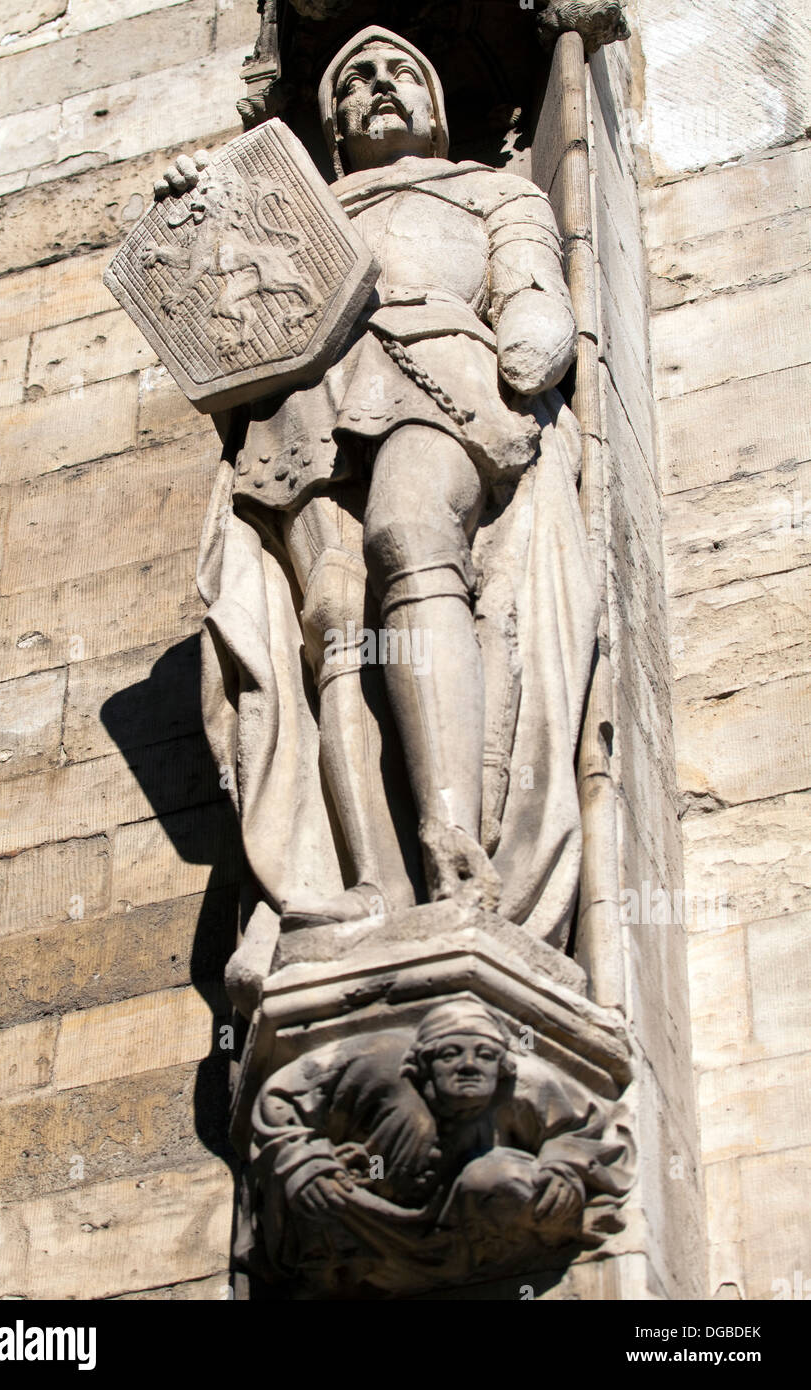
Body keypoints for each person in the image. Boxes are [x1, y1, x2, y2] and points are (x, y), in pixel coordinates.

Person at [160, 26, 600, 948]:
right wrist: (200, 217)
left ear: (438, 108)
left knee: (409, 534)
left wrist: (536, 329)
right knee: (333, 614)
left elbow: (530, 287)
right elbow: (228, 313)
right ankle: (372, 881)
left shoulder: (494, 190)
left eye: (403, 71)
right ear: (330, 122)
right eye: (355, 79)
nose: (380, 85)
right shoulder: (301, 209)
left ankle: (451, 835)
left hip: (442, 372)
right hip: (305, 399)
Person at [243, 998, 634, 1294]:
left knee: (508, 1179)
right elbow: (279, 1098)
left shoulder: (525, 1086)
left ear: (502, 1067)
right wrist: (303, 1161)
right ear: (421, 1064)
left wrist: (562, 1167)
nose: (469, 1066)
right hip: (364, 1207)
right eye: (450, 1054)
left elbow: (585, 1128)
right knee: (314, 1199)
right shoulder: (376, 1061)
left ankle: (492, 1255)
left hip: (463, 1225)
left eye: (485, 1056)